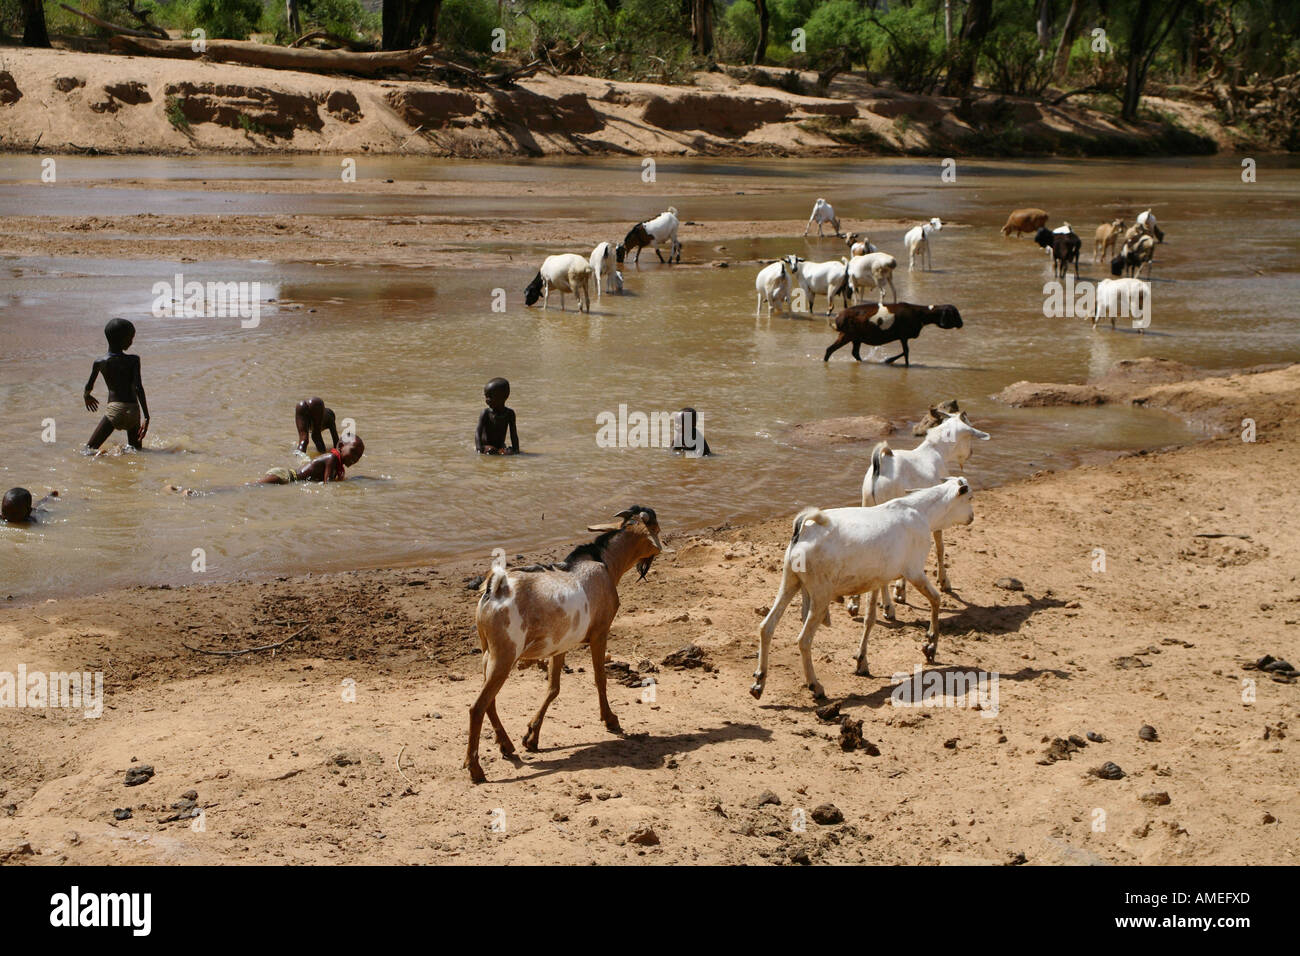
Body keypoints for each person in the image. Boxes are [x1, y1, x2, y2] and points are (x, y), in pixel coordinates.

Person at [84, 318, 150, 450]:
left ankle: (106, 458)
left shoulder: (100, 362)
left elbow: (88, 386)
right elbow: (138, 388)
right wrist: (146, 416)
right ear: (123, 340)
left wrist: (87, 396)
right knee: (136, 451)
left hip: (115, 411)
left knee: (89, 450)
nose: (131, 341)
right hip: (133, 411)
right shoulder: (134, 360)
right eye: (130, 338)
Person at [259, 437, 364, 484]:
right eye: (353, 452)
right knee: (252, 486)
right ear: (341, 446)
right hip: (285, 476)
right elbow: (328, 484)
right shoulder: (331, 458)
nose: (356, 458)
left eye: (359, 456)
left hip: (289, 478)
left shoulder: (338, 466)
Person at [476, 377, 519, 455]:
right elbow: (478, 433)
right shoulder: (485, 413)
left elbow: (514, 434)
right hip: (486, 447)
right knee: (490, 451)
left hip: (500, 446)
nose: (487, 399)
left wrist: (516, 450)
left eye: (490, 396)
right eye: (486, 396)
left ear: (503, 397)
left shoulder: (510, 413)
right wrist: (479, 449)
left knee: (507, 452)